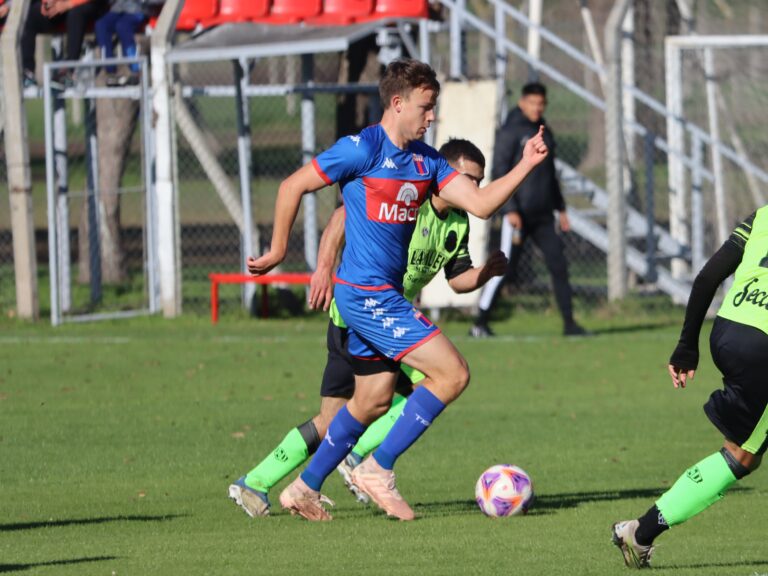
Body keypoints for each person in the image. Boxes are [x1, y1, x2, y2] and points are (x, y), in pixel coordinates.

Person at [246, 58, 548, 522]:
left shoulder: (427, 162)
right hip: (366, 296)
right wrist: (278, 249)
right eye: (426, 107)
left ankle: (304, 487)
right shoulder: (361, 149)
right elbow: (292, 186)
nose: (432, 116)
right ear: (398, 103)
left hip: (378, 297)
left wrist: (525, 163)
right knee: (453, 374)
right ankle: (377, 468)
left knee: (373, 400)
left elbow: (481, 204)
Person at [228, 138, 507, 517]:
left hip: (392, 321)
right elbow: (342, 216)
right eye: (470, 179)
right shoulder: (412, 197)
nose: (474, 188)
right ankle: (351, 460)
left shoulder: (457, 223)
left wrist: (485, 274)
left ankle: (264, 480)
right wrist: (324, 267)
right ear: (448, 173)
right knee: (423, 386)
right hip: (358, 318)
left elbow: (457, 279)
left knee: (356, 413)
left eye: (479, 181)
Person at [612, 209, 768, 568]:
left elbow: (708, 276)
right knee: (741, 455)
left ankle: (640, 532)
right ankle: (641, 533)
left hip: (729, 329)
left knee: (746, 451)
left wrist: (687, 345)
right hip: (764, 347)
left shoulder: (762, 216)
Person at [470, 82, 587, 338]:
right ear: (522, 102)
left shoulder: (545, 132)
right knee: (503, 269)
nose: (537, 108)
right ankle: (480, 322)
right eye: (532, 103)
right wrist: (510, 209)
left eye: (541, 103)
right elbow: (500, 171)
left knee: (558, 265)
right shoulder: (510, 131)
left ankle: (570, 324)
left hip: (543, 216)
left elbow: (550, 174)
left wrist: (561, 208)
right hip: (518, 216)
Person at [21, 0, 107, 88]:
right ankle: (28, 73)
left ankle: (68, 72)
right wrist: (46, 3)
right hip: (63, 6)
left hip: (91, 6)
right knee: (30, 14)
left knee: (76, 13)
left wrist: (68, 4)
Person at [94, 0, 147, 86]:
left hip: (137, 10)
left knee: (122, 26)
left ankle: (135, 69)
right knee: (101, 25)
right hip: (117, 9)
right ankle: (110, 70)